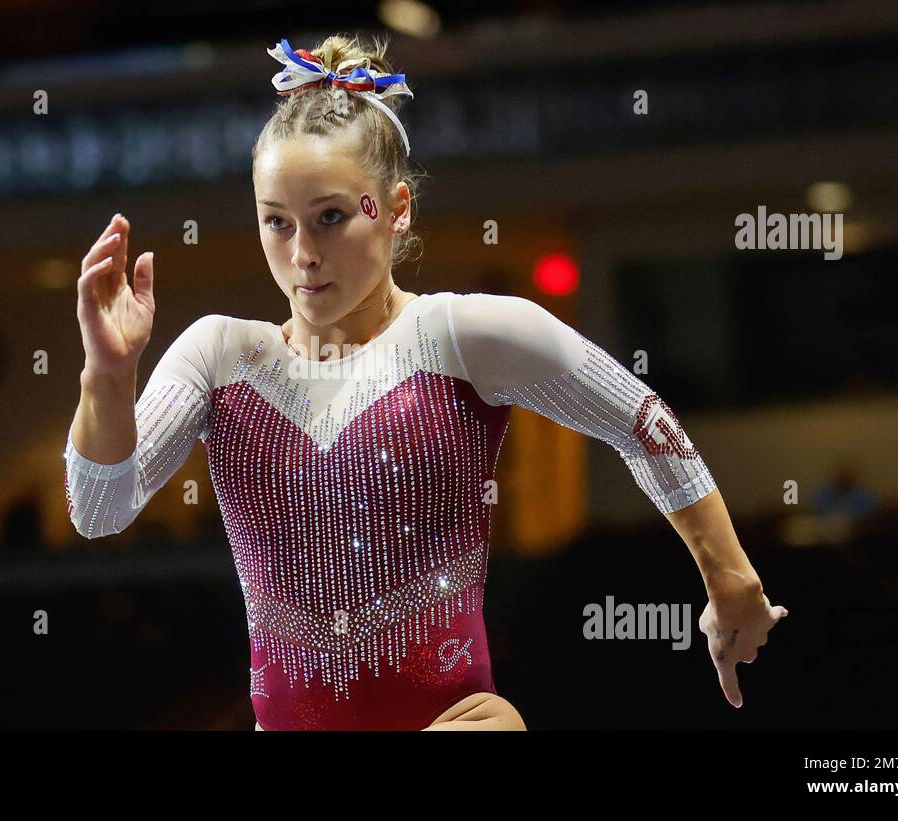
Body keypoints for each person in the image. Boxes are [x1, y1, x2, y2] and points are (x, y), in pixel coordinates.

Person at [63, 34, 788, 730]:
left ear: (398, 208)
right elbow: (98, 508)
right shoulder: (221, 355)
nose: (303, 253)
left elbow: (641, 418)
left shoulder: (462, 336)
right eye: (277, 222)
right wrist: (108, 373)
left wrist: (731, 579)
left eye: (331, 217)